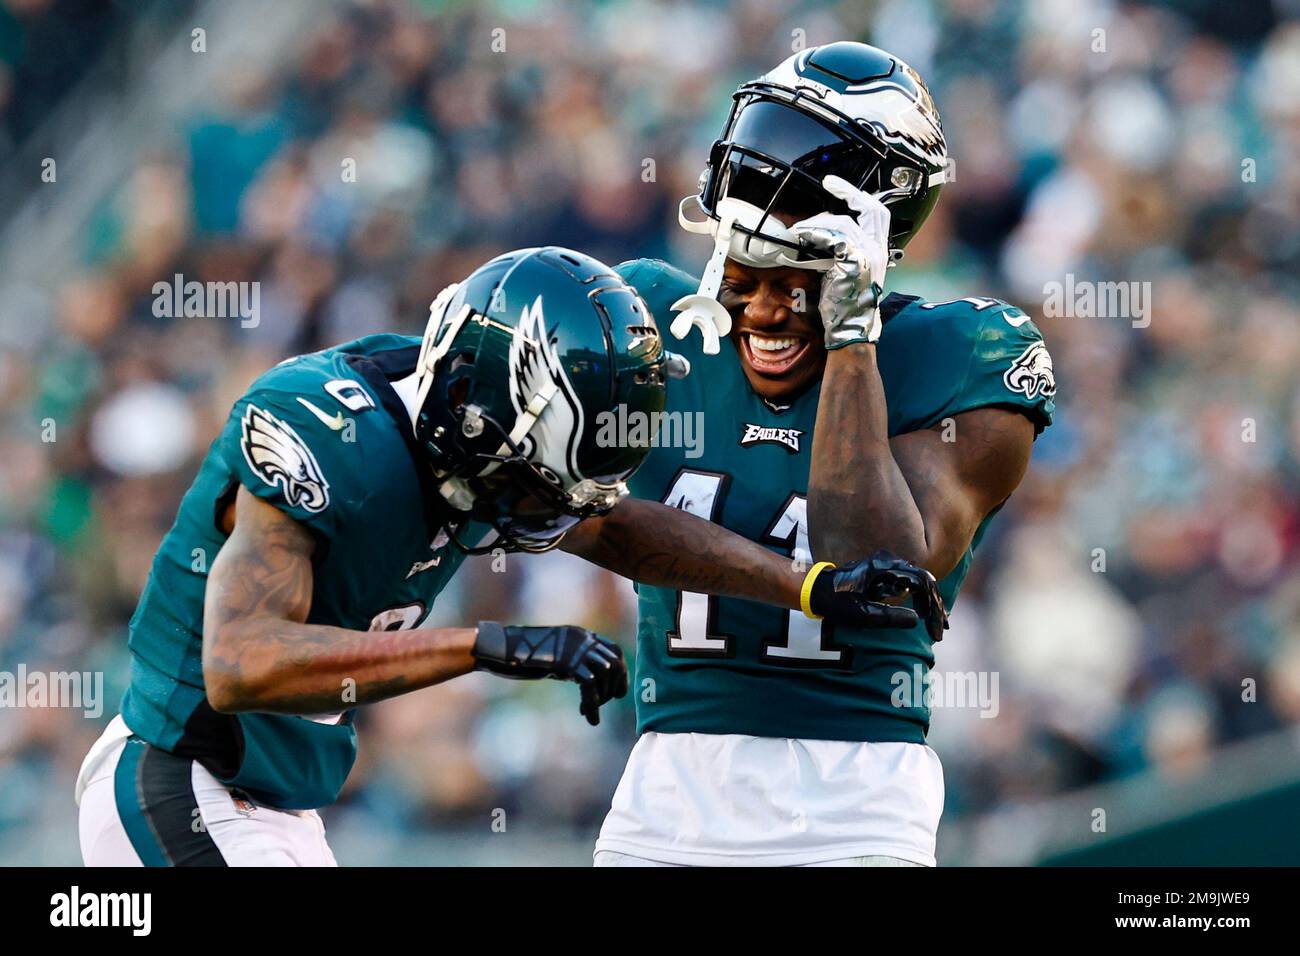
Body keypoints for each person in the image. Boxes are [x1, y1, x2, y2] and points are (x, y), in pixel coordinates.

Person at [76, 245, 943, 866]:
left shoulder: (486, 456)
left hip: (279, 804)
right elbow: (239, 662)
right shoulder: (326, 430)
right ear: (475, 412)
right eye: (538, 486)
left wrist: (810, 586)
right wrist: (484, 645)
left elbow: (616, 526)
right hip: (177, 776)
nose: (547, 513)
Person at [570, 42, 1057, 867]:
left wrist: (854, 337)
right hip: (665, 799)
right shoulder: (649, 315)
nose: (761, 310)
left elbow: (877, 563)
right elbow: (564, 518)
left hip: (855, 805)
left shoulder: (961, 352)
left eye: (797, 283)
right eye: (742, 273)